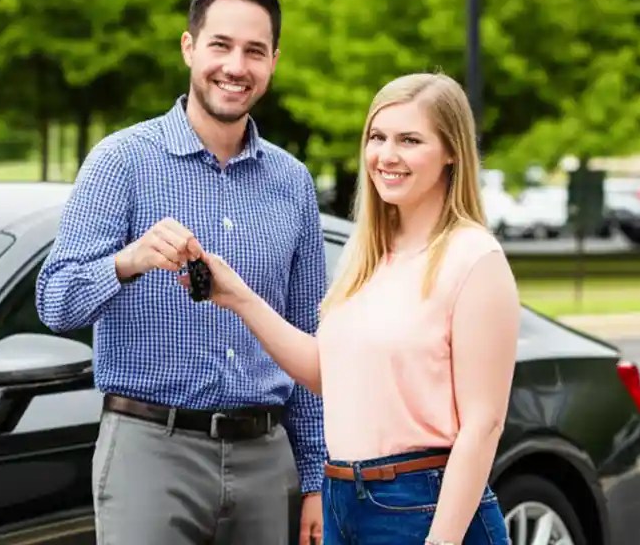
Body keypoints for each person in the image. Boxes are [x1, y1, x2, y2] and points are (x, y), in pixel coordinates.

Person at [35, 0, 328, 545]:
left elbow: (308, 339)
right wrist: (128, 261)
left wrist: (315, 477)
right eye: (220, 45)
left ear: (273, 62)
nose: (235, 66)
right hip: (151, 452)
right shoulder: (120, 162)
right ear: (189, 48)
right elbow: (54, 301)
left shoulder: (293, 184)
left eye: (254, 51)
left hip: (266, 462)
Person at [184, 72, 520, 545]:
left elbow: (484, 425)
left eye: (410, 140)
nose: (387, 155)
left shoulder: (473, 258)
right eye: (377, 137)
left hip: (422, 503)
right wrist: (236, 296)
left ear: (452, 153)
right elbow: (327, 373)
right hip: (344, 498)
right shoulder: (367, 258)